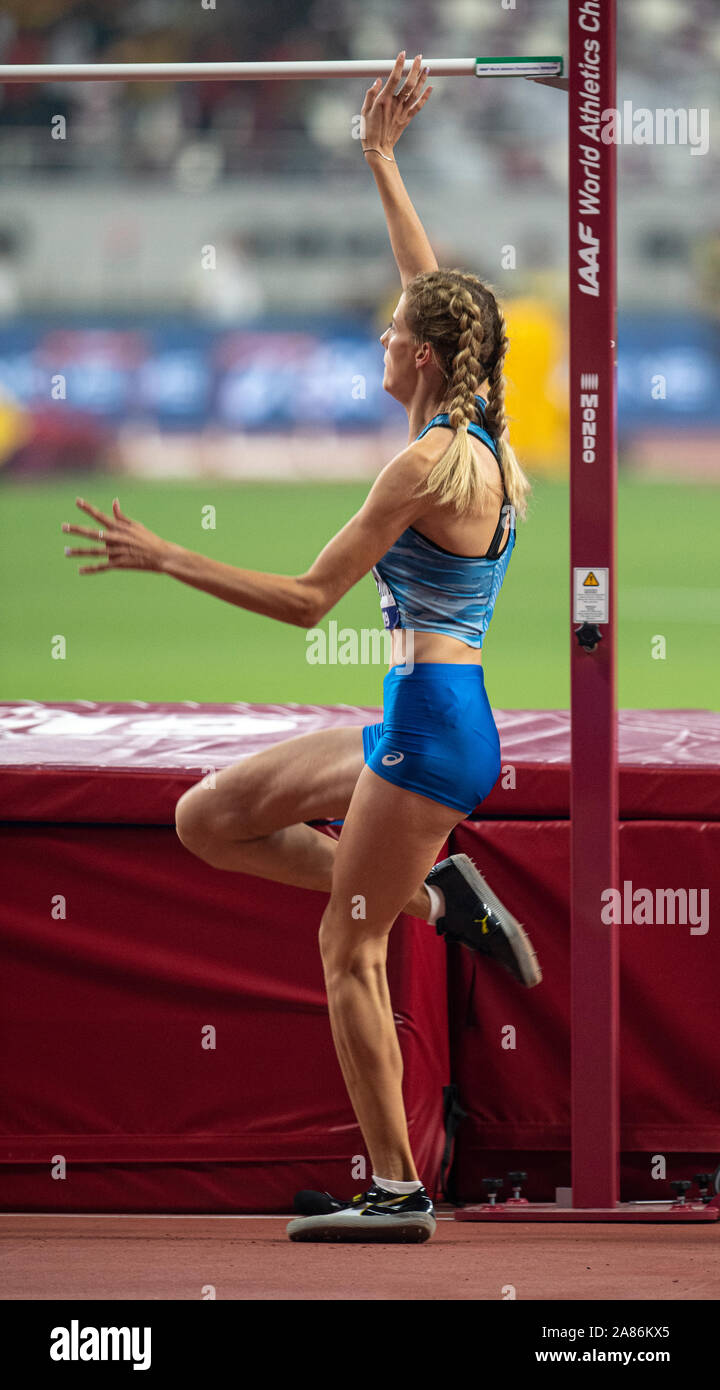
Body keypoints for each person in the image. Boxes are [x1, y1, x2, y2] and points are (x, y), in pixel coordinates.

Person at [61, 51, 540, 1246]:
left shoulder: (422, 464)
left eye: (389, 333)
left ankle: (394, 1190)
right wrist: (381, 157)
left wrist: (170, 556)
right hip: (423, 714)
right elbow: (436, 290)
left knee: (346, 947)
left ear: (421, 360)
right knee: (209, 817)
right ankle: (436, 894)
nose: (380, 337)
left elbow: (306, 600)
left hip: (432, 734)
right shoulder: (474, 422)